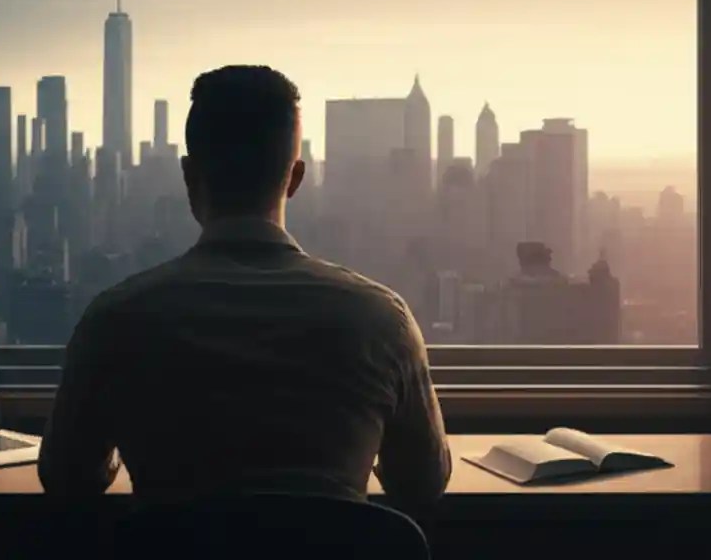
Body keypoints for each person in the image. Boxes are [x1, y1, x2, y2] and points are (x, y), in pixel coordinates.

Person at [37, 64, 450, 515]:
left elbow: (67, 478)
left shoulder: (115, 320)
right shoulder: (381, 320)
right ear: (295, 178)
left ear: (189, 177)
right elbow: (422, 483)